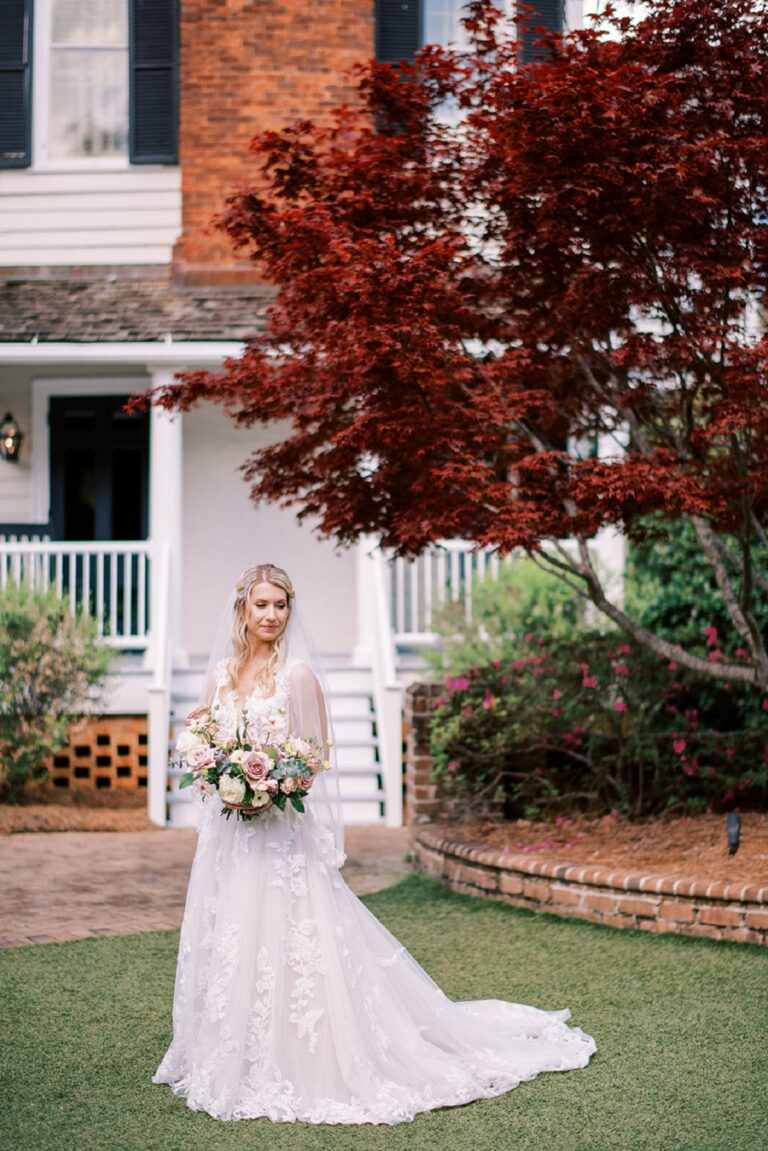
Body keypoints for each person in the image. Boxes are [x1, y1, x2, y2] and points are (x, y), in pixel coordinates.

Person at [152, 563, 596, 1125]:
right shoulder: (220, 675)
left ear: (290, 610)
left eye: (280, 605)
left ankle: (301, 1058)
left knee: (291, 940)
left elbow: (314, 759)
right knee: (233, 932)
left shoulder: (299, 677)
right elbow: (201, 738)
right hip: (228, 838)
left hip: (277, 834)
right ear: (242, 608)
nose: (271, 615)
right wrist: (219, 774)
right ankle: (229, 1055)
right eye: (261, 605)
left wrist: (267, 786)